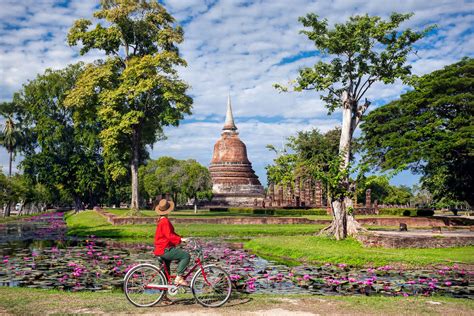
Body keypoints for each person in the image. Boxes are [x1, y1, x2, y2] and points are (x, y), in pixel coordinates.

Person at [154, 199, 191, 286]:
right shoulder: (165, 221)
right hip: (165, 249)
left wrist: (181, 239)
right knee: (185, 256)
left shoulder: (161, 220)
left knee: (165, 274)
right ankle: (179, 277)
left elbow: (171, 234)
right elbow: (169, 235)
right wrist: (180, 240)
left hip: (160, 249)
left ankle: (163, 297)